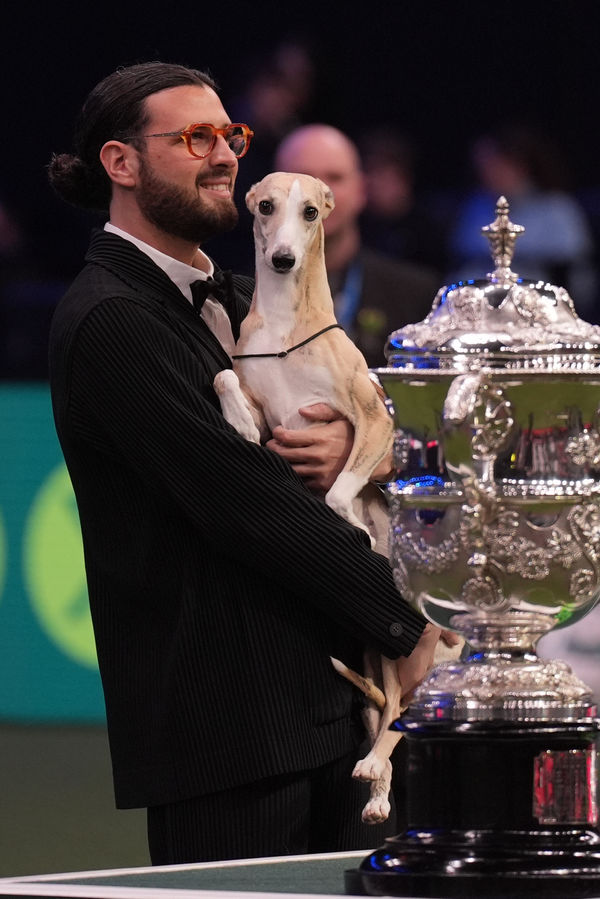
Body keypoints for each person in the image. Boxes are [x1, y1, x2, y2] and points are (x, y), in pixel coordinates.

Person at [47, 61, 439, 865]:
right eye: (195, 137)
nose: (225, 154)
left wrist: (355, 448)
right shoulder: (112, 321)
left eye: (231, 135)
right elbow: (245, 500)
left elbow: (372, 418)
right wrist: (403, 620)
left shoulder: (236, 299)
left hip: (327, 710)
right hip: (227, 738)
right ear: (122, 164)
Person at [273, 124, 439, 367]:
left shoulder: (417, 297)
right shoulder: (240, 297)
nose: (320, 192)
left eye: (335, 178)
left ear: (361, 190)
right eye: (303, 178)